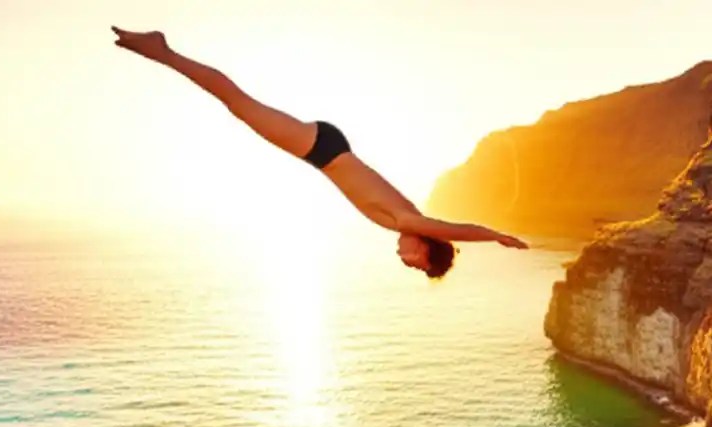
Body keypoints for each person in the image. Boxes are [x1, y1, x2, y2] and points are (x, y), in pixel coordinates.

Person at [111, 27, 528, 278]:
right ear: (427, 245)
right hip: (322, 149)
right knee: (237, 102)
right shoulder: (409, 219)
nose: (406, 262)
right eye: (416, 263)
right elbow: (457, 230)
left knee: (238, 105)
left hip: (325, 149)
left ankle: (161, 51)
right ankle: (161, 49)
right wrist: (494, 236)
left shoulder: (402, 218)